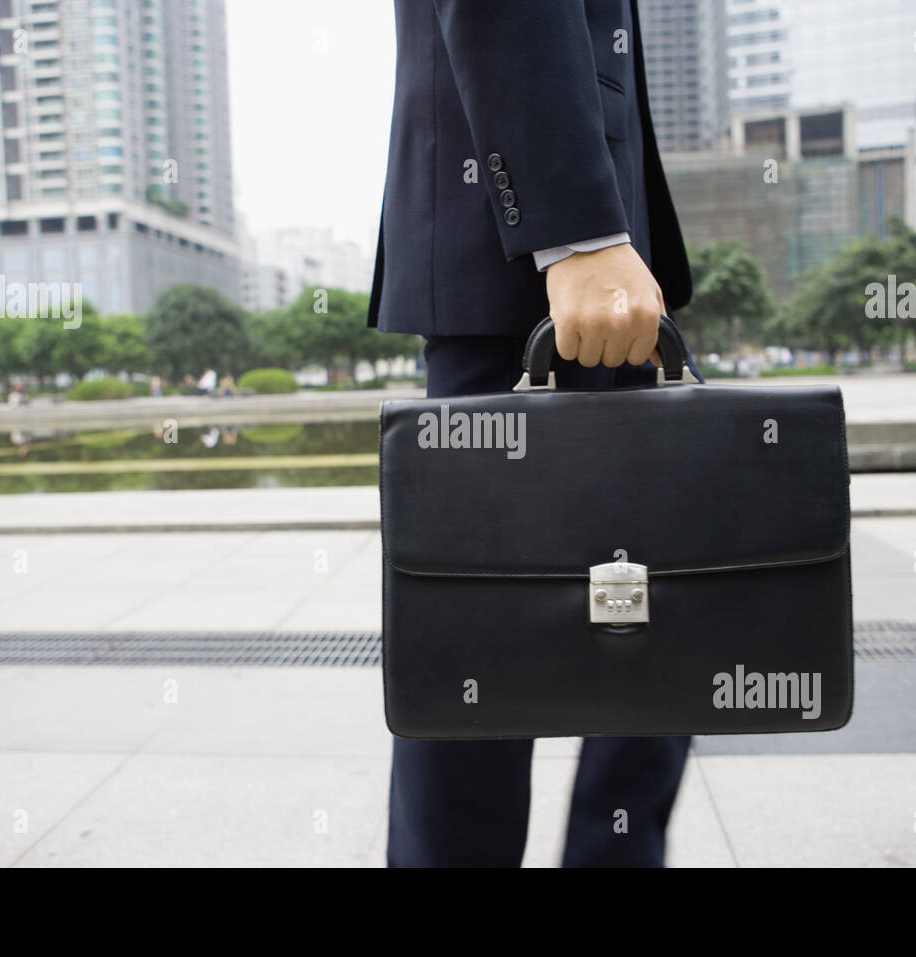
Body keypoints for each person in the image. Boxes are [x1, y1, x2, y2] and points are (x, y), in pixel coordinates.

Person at [367, 0, 703, 867]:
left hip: (565, 246)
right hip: (530, 254)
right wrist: (574, 234)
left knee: (662, 615)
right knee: (480, 651)